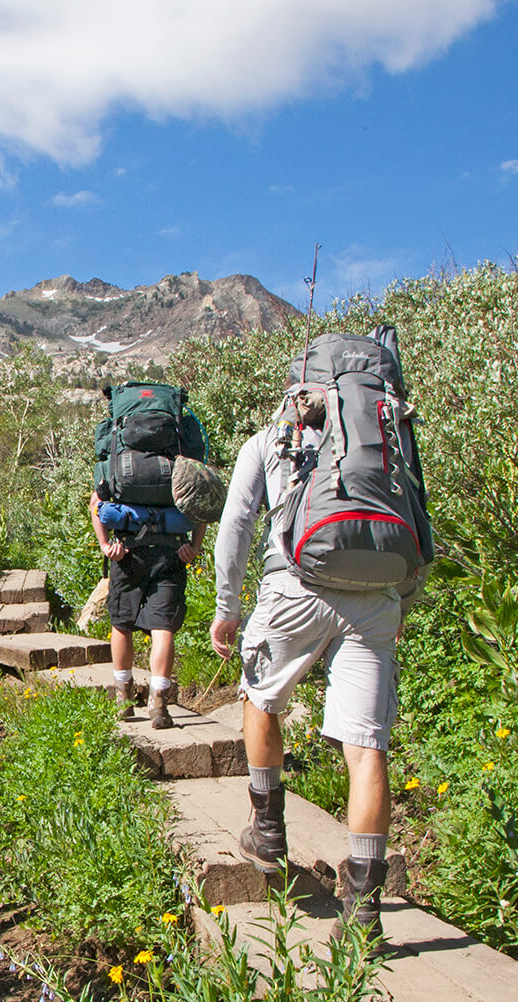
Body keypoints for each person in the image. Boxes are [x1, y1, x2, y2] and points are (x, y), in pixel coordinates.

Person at [208, 365, 412, 942]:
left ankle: (268, 828)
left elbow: (235, 526)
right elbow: (414, 520)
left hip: (294, 586)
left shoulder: (270, 441)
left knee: (261, 699)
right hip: (376, 597)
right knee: (367, 744)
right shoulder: (384, 440)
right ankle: (365, 907)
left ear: (298, 395)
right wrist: (401, 600)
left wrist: (227, 608)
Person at [90, 492, 204, 729]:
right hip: (172, 551)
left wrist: (104, 545)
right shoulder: (179, 457)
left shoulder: (121, 457)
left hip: (127, 551)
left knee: (122, 623)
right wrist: (195, 546)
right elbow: (200, 500)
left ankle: (123, 700)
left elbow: (96, 504)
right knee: (163, 627)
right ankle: (159, 704)